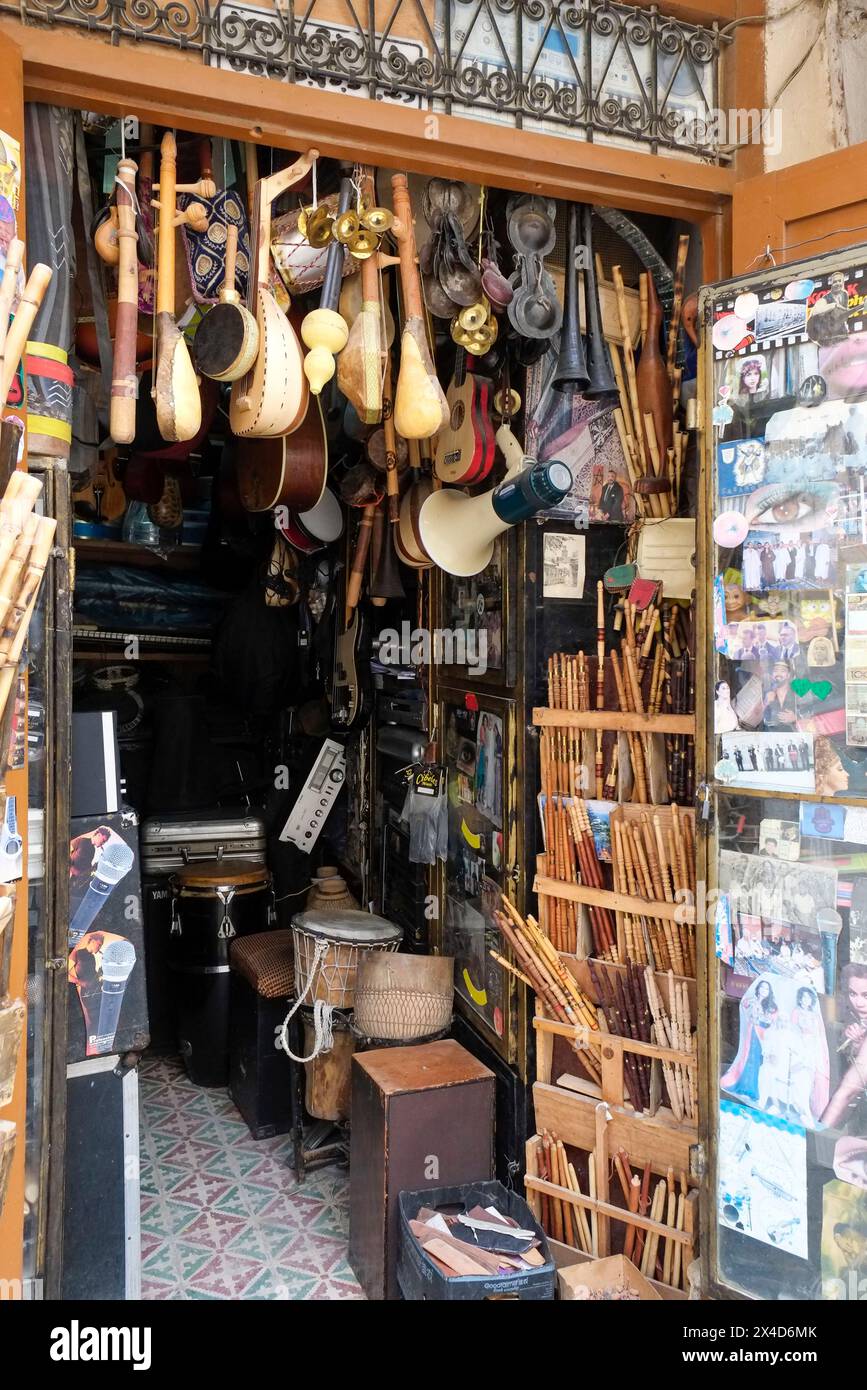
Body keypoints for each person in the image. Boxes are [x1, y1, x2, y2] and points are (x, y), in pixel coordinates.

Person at [721, 979, 777, 1102]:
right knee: (746, 1057)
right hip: (751, 1031)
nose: (763, 990)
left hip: (761, 1035)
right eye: (762, 987)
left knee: (755, 1060)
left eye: (766, 989)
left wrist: (761, 1020)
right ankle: (743, 1085)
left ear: (769, 992)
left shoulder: (771, 1007)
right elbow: (744, 1004)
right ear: (758, 989)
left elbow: (771, 1022)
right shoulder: (752, 1000)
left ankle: (752, 1089)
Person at [763, 660, 797, 730]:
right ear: (772, 674)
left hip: (793, 736)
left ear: (789, 674)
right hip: (770, 736)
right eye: (775, 670)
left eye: (783, 671)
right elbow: (754, 717)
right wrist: (766, 702)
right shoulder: (765, 692)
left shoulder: (797, 693)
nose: (778, 674)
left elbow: (811, 711)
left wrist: (796, 718)